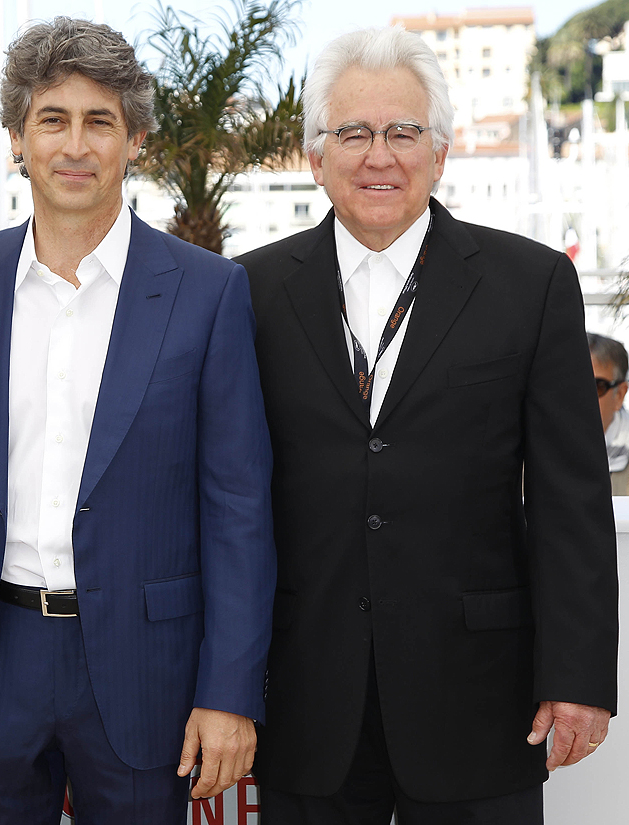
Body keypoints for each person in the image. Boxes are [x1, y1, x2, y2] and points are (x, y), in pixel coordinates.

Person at [236, 26, 618, 825]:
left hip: (480, 697)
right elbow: (229, 500)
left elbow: (571, 500)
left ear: (440, 153)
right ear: (315, 157)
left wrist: (579, 676)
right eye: (353, 133)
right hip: (306, 697)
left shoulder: (531, 284)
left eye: (404, 132)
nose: (380, 156)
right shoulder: (249, 291)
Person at [0, 16, 275, 823]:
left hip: (148, 670)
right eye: (53, 119)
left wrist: (229, 690)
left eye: (99, 121)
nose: (75, 145)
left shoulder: (209, 292)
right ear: (17, 138)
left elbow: (239, 504)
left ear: (134, 139)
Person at [588, 332, 629, 494]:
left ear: (620, 395)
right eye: (568, 386)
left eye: (595, 387)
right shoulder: (528, 454)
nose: (579, 397)